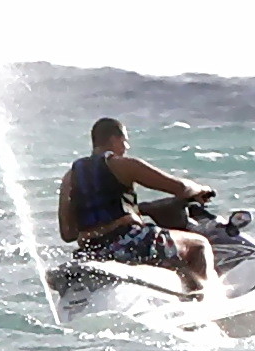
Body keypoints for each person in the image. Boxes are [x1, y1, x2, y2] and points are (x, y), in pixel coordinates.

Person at [58, 117, 218, 291]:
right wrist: (200, 189)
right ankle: (206, 299)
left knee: (173, 259)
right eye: (125, 141)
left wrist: (110, 225)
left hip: (91, 251)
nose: (127, 147)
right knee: (199, 245)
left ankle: (182, 294)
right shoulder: (123, 165)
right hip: (130, 245)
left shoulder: (70, 177)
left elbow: (67, 234)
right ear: (115, 139)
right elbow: (180, 188)